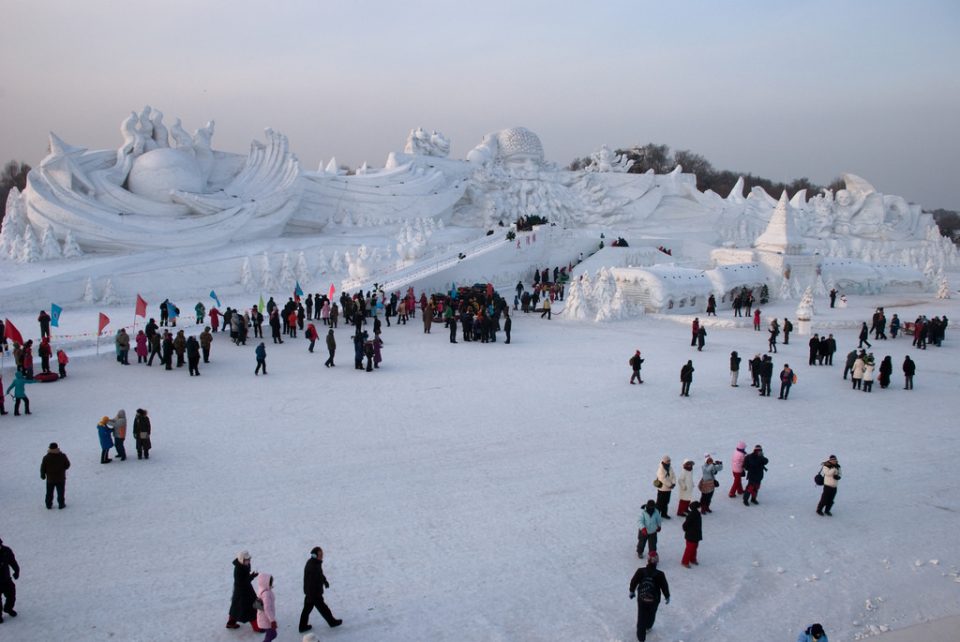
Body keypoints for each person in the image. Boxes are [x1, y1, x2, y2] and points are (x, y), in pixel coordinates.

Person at [298, 546, 342, 633]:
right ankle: (332, 622)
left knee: (307, 610)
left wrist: (324, 581)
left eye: (322, 554)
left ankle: (302, 626)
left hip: (310, 593)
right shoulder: (313, 566)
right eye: (320, 554)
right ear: (315, 555)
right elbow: (311, 581)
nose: (322, 556)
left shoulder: (315, 563)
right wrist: (313, 594)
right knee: (324, 609)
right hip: (314, 594)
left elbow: (320, 574)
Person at [628, 552, 670, 642]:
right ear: (657, 561)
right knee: (651, 614)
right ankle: (649, 626)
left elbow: (633, 581)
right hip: (654, 600)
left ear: (648, 560)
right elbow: (664, 587)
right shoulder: (660, 574)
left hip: (642, 599)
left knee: (641, 616)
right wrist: (667, 596)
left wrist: (632, 591)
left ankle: (641, 638)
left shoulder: (640, 571)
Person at [227, 551, 261, 631]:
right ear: (242, 559)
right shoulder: (238, 570)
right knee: (251, 608)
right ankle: (257, 627)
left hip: (244, 590)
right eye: (247, 559)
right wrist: (251, 577)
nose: (249, 561)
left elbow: (245, 579)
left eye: (249, 559)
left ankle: (231, 623)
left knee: (236, 607)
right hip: (243, 592)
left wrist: (251, 576)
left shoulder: (245, 565)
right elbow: (242, 582)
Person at [40, 442, 71, 509]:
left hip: (50, 479)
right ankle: (61, 504)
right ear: (57, 448)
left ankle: (48, 504)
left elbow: (43, 468)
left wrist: (43, 475)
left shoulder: (46, 457)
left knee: (49, 492)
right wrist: (63, 469)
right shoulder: (62, 456)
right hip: (61, 478)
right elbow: (68, 465)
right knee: (60, 492)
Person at [0, 537, 19, 621]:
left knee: (11, 595)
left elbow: (12, 561)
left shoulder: (6, 551)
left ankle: (8, 608)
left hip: (6, 579)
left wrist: (17, 571)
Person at [256, 573, 278, 642]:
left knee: (271, 634)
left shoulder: (262, 589)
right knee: (272, 634)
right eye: (270, 582)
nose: (272, 584)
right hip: (266, 619)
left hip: (264, 617)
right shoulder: (266, 594)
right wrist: (272, 621)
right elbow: (267, 609)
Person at [680, 501, 703, 567]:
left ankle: (692, 559)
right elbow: (685, 525)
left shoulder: (695, 514)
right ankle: (685, 561)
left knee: (694, 548)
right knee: (690, 549)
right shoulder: (693, 515)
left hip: (695, 534)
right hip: (692, 535)